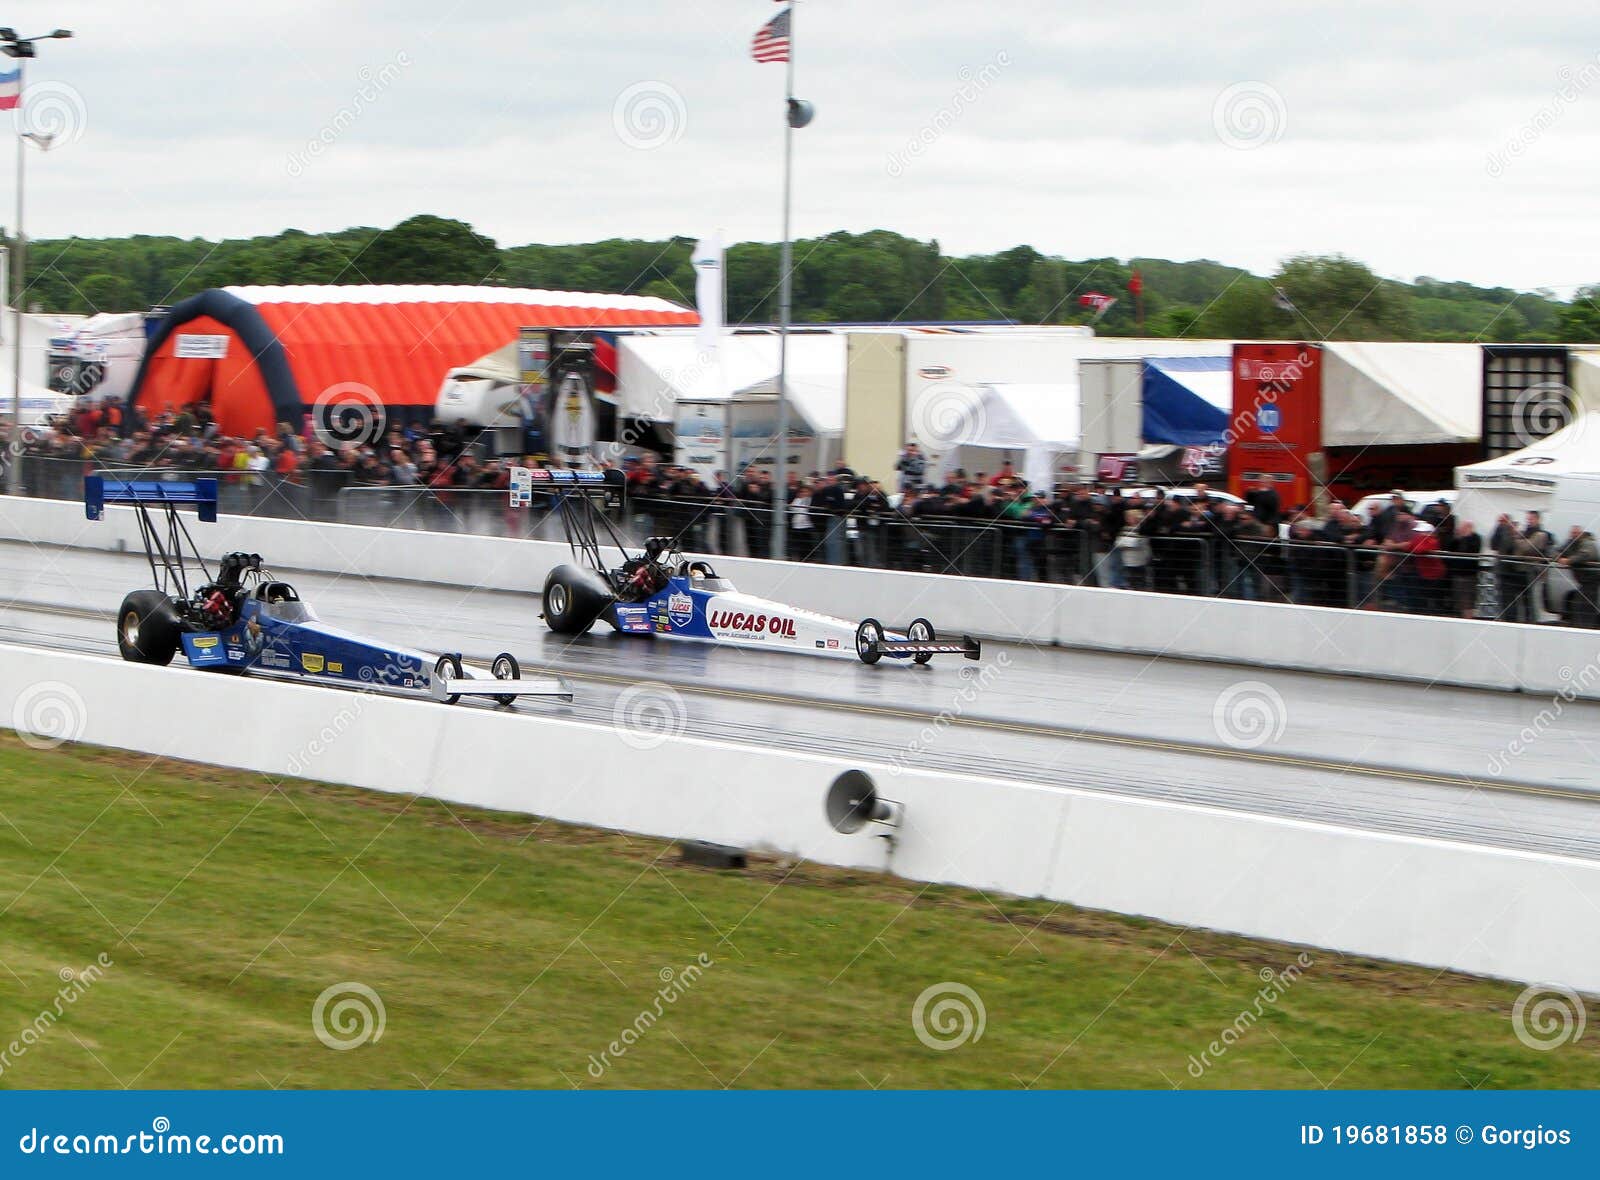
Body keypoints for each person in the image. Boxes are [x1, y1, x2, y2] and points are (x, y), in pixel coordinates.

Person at [1557, 525, 1600, 628]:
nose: (1573, 536)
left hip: (1592, 580)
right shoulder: (1571, 543)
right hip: (1584, 581)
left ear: (1581, 534)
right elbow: (1556, 551)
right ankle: (1583, 626)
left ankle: (1585, 627)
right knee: (1580, 605)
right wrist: (1558, 557)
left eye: (1576, 533)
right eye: (1572, 533)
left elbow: (1586, 555)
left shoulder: (1588, 543)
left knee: (1584, 606)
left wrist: (1569, 560)